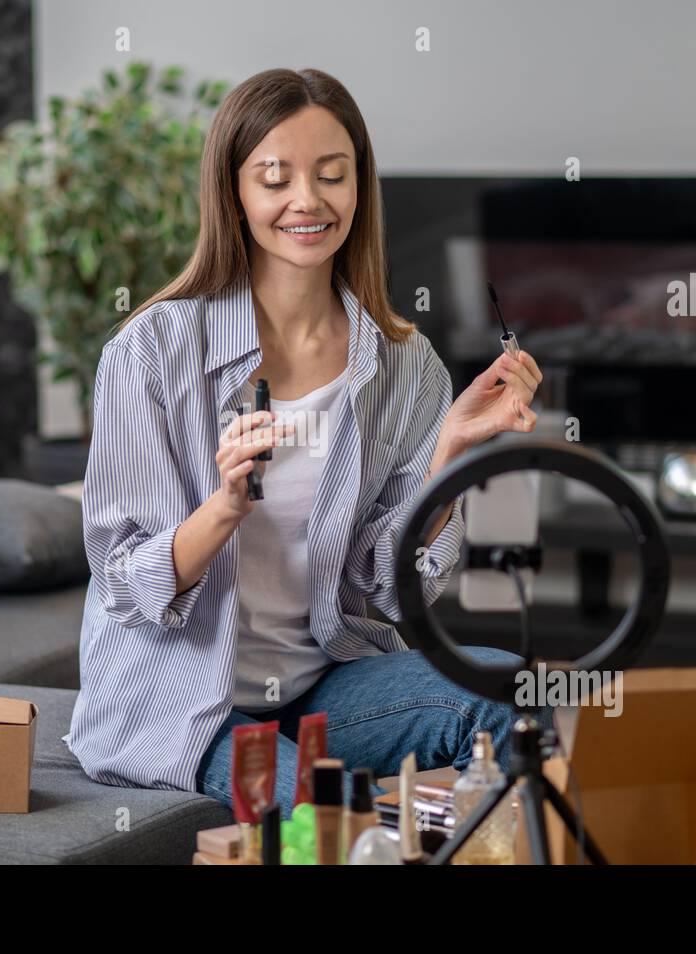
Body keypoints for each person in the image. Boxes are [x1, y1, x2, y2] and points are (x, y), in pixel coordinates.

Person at [63, 68, 543, 818]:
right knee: (330, 812)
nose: (307, 201)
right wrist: (222, 509)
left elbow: (388, 590)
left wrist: (451, 450)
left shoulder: (404, 366)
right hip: (183, 709)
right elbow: (124, 585)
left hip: (321, 689)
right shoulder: (152, 352)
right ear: (235, 192)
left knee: (510, 694)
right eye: (274, 177)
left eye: (331, 175)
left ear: (360, 187)